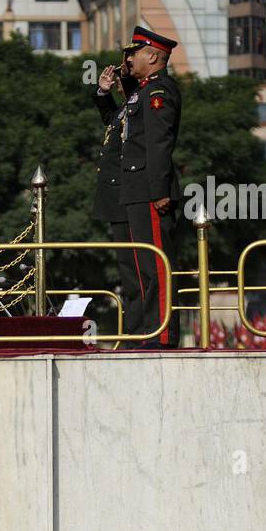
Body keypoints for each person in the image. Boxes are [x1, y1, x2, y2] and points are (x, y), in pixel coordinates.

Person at [118, 26, 183, 349]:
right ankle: (145, 330)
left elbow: (158, 143)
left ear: (154, 56)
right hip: (136, 187)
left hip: (149, 188)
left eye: (136, 53)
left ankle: (161, 334)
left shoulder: (159, 91)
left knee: (156, 264)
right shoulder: (142, 91)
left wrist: (159, 190)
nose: (129, 58)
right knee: (140, 266)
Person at [94, 47, 140, 343]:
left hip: (129, 196)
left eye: (122, 76)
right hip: (119, 198)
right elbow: (111, 118)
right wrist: (102, 91)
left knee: (136, 270)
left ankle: (142, 331)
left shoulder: (139, 106)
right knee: (128, 272)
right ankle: (136, 329)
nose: (118, 81)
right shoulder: (125, 110)